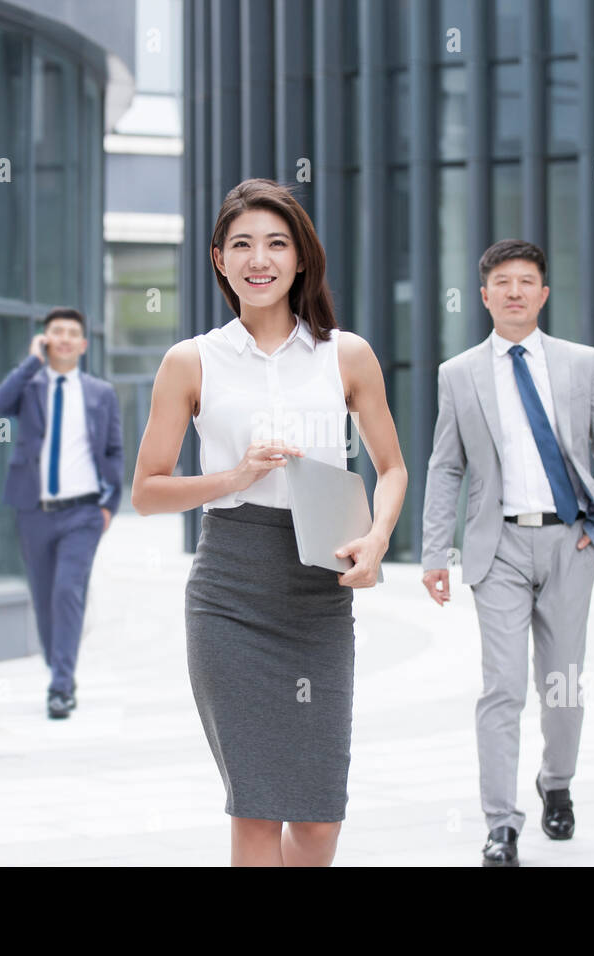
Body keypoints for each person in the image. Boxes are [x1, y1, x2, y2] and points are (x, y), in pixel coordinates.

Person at [132, 178, 407, 866]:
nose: (261, 259)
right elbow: (146, 491)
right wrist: (235, 476)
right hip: (231, 590)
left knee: (315, 820)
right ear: (220, 260)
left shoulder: (346, 355)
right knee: (255, 809)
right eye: (243, 245)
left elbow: (393, 467)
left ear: (301, 259)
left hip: (319, 590)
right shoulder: (191, 361)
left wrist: (376, 540)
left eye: (277, 244)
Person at [420, 240, 594, 867]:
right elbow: (445, 466)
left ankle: (556, 782)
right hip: (498, 546)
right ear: (484, 296)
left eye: (526, 281)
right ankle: (500, 826)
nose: (514, 291)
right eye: (502, 282)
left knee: (561, 685)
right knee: (502, 687)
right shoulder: (458, 374)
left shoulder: (580, 363)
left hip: (570, 541)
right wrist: (436, 551)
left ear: (543, 294)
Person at [0, 307, 123, 719]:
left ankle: (61, 685)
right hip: (34, 511)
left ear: (83, 345)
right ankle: (58, 666)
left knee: (68, 592)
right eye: (55, 333)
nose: (64, 339)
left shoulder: (101, 393)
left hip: (82, 513)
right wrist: (32, 361)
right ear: (46, 341)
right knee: (45, 598)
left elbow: (114, 450)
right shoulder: (29, 388)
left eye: (71, 333)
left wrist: (107, 505)